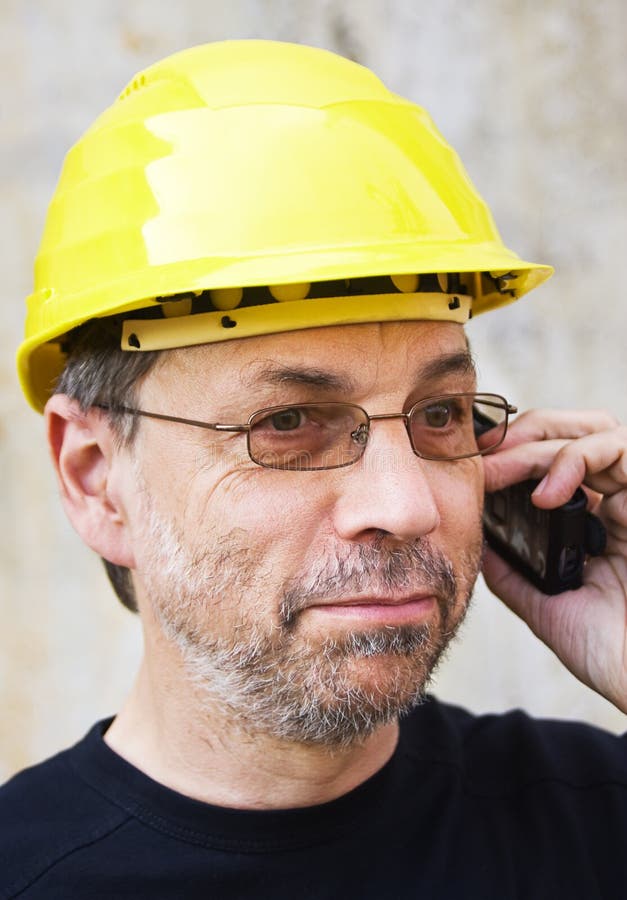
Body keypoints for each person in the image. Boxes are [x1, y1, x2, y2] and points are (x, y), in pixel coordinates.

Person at [2, 39, 627, 899]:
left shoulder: (595, 823)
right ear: (96, 478)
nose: (406, 504)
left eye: (438, 414)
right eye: (287, 423)